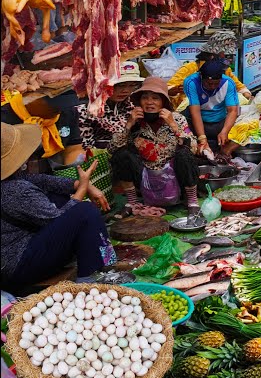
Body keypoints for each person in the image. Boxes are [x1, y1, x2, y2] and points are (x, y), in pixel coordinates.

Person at [1, 123, 113, 288]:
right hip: (16, 268)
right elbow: (60, 219)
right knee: (85, 212)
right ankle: (89, 281)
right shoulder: (15, 190)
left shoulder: (12, 181)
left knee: (58, 196)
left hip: (10, 259)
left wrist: (81, 185)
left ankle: (86, 254)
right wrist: (83, 187)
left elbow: (43, 181)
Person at [112, 76, 202, 214]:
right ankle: (132, 203)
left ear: (163, 102)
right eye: (145, 98)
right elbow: (112, 149)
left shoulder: (177, 118)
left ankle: (192, 202)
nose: (149, 102)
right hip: (145, 174)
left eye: (155, 98)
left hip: (173, 173)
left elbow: (194, 148)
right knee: (121, 155)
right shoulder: (133, 119)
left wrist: (173, 125)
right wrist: (129, 125)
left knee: (184, 155)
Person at [72, 61, 145, 163]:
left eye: (131, 85)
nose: (126, 90)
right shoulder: (86, 110)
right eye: (120, 85)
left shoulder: (134, 106)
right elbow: (87, 151)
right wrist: (128, 126)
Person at [168, 32, 250, 101]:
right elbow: (167, 90)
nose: (229, 61)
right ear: (211, 56)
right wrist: (176, 90)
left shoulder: (225, 70)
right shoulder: (189, 68)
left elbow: (240, 88)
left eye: (231, 56)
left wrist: (245, 95)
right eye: (226, 57)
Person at [183, 58, 241, 156]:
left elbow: (232, 111)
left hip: (219, 121)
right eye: (209, 83)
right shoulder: (191, 82)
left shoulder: (228, 83)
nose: (213, 86)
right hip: (198, 120)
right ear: (201, 77)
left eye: (216, 83)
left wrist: (224, 131)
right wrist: (202, 138)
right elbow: (195, 112)